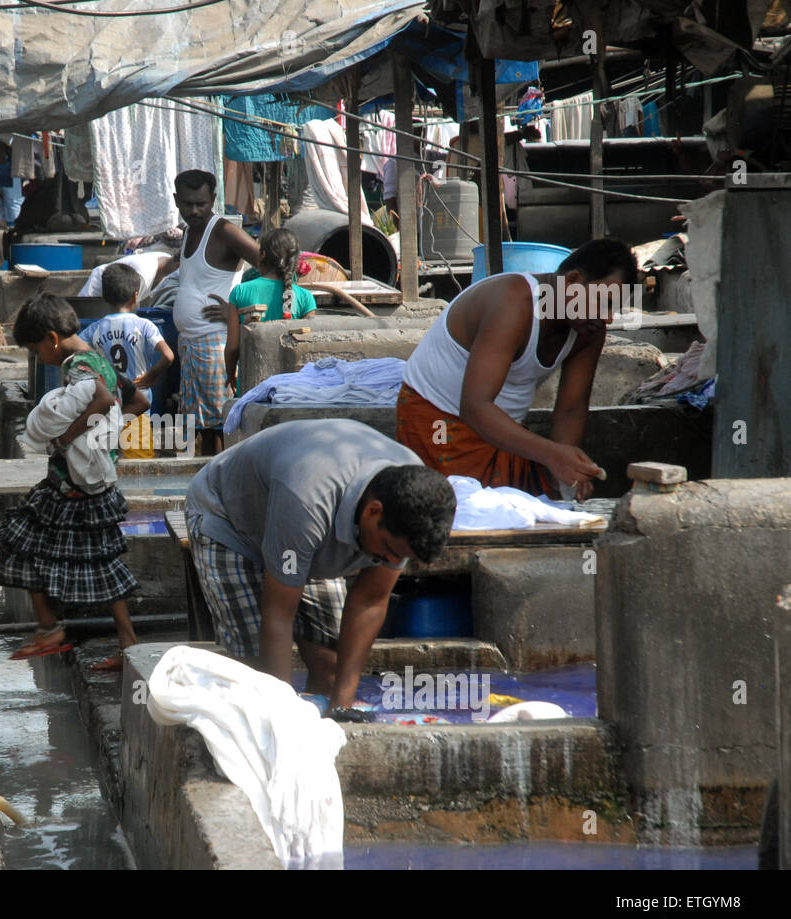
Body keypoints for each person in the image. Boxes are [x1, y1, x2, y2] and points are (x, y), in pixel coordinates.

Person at [183, 419, 456, 715]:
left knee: (329, 667)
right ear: (372, 511)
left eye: (399, 558)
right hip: (231, 522)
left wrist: (342, 707)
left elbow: (371, 599)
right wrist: (282, 716)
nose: (389, 564)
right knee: (255, 676)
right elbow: (278, 614)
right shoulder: (308, 501)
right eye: (388, 551)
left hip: (300, 538)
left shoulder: (410, 496)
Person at [0, 293, 151, 671]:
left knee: (21, 546)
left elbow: (104, 399)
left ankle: (49, 630)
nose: (40, 357)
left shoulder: (78, 367)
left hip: (72, 486)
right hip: (90, 482)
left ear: (52, 339)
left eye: (37, 350)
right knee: (101, 561)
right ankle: (126, 644)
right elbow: (136, 401)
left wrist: (69, 437)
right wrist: (105, 437)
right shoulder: (99, 359)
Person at [396, 237, 638, 499]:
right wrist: (552, 455)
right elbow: (475, 406)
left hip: (503, 432)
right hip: (438, 424)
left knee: (537, 510)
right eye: (605, 303)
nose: (608, 317)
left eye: (615, 308)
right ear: (572, 282)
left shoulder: (589, 329)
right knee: (451, 511)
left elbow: (571, 409)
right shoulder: (513, 302)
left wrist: (566, 470)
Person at [159, 169, 260, 456]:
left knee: (220, 424)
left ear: (213, 199)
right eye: (188, 204)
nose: (194, 210)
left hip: (215, 345)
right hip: (191, 345)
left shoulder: (224, 230)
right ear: (177, 200)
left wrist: (236, 310)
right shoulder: (191, 229)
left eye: (201, 204)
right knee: (201, 426)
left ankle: (220, 480)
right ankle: (207, 481)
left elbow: (270, 264)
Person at [81, 262, 175, 459]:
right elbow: (168, 356)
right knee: (138, 472)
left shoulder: (94, 329)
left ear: (104, 297)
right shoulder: (144, 325)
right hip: (137, 410)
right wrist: (152, 375)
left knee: (107, 467)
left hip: (106, 410)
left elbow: (76, 355)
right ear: (135, 296)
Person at [223, 227, 317, 394]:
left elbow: (232, 348)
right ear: (295, 261)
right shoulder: (305, 298)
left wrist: (231, 375)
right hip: (293, 390)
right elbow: (309, 351)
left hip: (251, 386)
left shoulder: (240, 292)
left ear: (263, 255)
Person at [76, 250, 173, 303]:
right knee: (85, 314)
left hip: (118, 291)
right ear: (177, 265)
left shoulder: (168, 258)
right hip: (101, 281)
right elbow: (131, 305)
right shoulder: (144, 274)